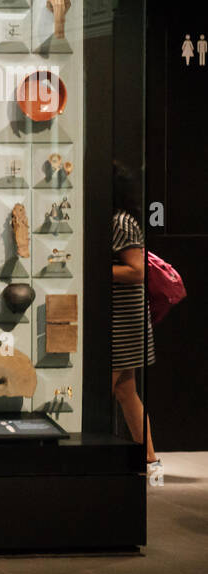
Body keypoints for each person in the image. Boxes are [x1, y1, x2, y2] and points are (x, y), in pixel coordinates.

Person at [112, 163, 160, 475]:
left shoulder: (120, 222)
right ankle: (150, 460)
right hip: (124, 317)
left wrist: (95, 271)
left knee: (110, 386)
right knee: (126, 389)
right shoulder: (121, 220)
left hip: (124, 320)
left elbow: (137, 270)